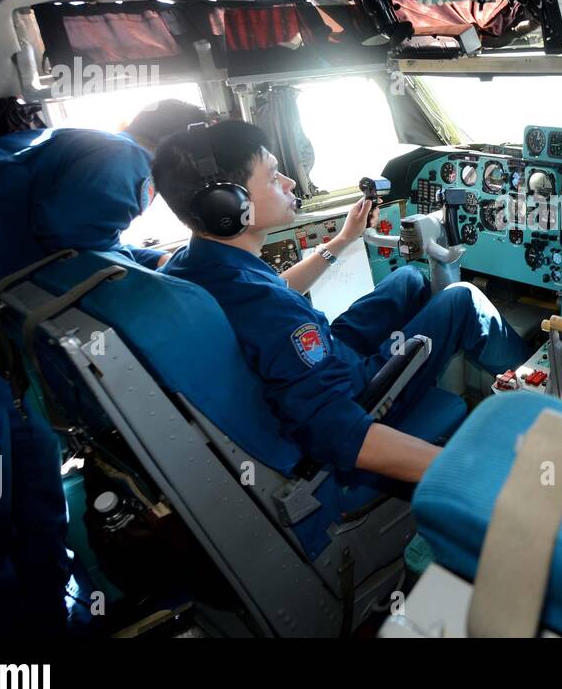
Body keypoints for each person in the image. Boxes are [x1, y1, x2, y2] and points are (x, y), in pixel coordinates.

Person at [0, 98, 208, 636]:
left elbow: (67, 237)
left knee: (31, 462)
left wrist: (146, 259)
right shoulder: (127, 159)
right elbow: (72, 238)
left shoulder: (61, 142)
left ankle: (51, 616)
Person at [154, 120, 528, 486]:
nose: (288, 182)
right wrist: (470, 474)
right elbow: (337, 431)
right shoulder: (270, 310)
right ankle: (531, 382)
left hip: (324, 354)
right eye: (271, 177)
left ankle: (445, 363)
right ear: (226, 204)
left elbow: (278, 287)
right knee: (460, 299)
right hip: (364, 393)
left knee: (409, 280)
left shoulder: (195, 264)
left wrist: (345, 239)